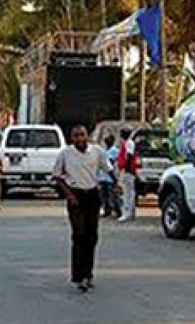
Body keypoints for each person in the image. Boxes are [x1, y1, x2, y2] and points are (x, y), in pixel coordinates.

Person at [53, 124, 116, 293]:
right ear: (71, 138)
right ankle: (79, 275)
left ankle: (88, 273)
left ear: (87, 136)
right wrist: (69, 195)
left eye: (82, 135)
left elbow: (109, 169)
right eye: (76, 136)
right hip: (75, 196)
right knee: (79, 235)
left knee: (92, 236)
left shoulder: (97, 152)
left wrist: (117, 184)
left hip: (92, 196)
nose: (79, 139)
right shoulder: (65, 154)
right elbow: (57, 177)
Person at [117, 129, 139, 222]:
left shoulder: (128, 144)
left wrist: (126, 169)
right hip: (128, 170)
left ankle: (126, 213)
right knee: (129, 192)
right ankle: (130, 212)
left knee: (127, 193)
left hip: (127, 171)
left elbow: (129, 157)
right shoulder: (128, 143)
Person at [98, 136, 121, 218]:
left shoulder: (114, 151)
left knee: (113, 196)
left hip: (110, 177)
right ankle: (107, 210)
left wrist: (115, 178)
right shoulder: (104, 151)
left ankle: (118, 211)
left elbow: (109, 163)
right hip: (102, 177)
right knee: (104, 196)